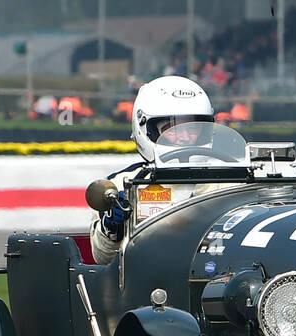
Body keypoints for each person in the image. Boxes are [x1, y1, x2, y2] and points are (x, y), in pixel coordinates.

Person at [89, 76, 229, 266]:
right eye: (173, 128)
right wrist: (112, 228)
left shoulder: (233, 178)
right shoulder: (120, 184)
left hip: (216, 276)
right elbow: (102, 258)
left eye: (193, 128)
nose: (185, 137)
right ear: (147, 129)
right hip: (151, 280)